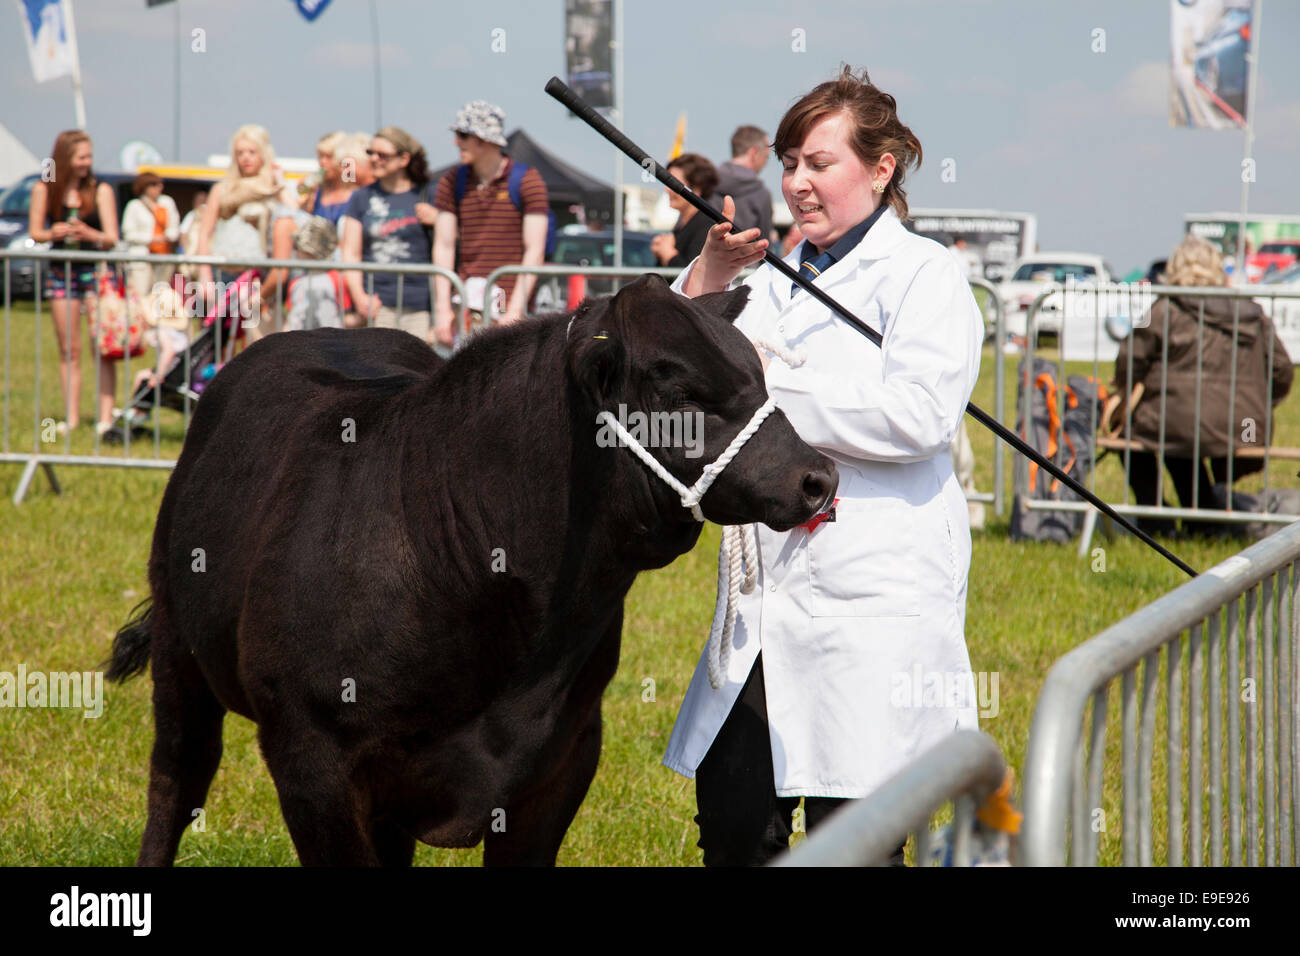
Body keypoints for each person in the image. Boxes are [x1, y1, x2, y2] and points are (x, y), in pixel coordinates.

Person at [662, 66, 984, 867]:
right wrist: (706, 278)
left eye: (819, 162)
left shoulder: (925, 275)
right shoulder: (766, 279)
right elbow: (672, 371)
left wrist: (771, 391)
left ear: (881, 168)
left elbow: (919, 414)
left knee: (857, 842)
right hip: (763, 606)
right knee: (737, 830)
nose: (798, 182)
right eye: (790, 161)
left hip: (873, 596)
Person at [1109, 234, 1293, 536]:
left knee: (1137, 438)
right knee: (1181, 438)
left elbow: (1129, 359)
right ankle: (1202, 520)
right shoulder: (1252, 312)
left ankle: (1157, 518)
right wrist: (1260, 403)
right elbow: (1282, 370)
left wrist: (1126, 387)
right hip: (1243, 427)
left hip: (1172, 421)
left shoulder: (1161, 309)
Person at [432, 101, 549, 345]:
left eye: (463, 135)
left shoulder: (527, 180)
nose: (456, 142)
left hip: (511, 307)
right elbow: (443, 246)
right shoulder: (452, 181)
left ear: (484, 140)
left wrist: (515, 311)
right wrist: (442, 310)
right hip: (466, 305)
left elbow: (535, 251)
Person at [27, 129, 121, 435]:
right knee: (69, 349)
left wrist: (89, 234)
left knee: (102, 347)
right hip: (60, 274)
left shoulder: (100, 190)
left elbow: (111, 238)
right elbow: (35, 232)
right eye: (81, 157)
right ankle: (72, 417)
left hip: (95, 275)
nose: (87, 162)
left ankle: (105, 417)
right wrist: (53, 233)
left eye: (89, 156)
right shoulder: (45, 189)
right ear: (66, 158)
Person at [341, 126, 435, 339]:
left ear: (404, 159)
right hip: (377, 302)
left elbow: (453, 240)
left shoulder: (428, 194)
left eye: (382, 155)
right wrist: (360, 297)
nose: (374, 159)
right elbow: (350, 252)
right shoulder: (361, 198)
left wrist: (438, 218)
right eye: (370, 153)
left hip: (420, 304)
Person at [650, 153, 718, 268]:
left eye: (673, 184)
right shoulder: (683, 222)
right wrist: (660, 251)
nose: (667, 189)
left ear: (696, 188)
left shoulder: (707, 227)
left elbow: (694, 274)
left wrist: (667, 253)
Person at [121, 172, 180, 302]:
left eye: (160, 184)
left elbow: (174, 227)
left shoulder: (167, 202)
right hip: (142, 258)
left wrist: (168, 237)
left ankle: (158, 322)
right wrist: (152, 238)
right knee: (141, 295)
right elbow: (128, 233)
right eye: (154, 184)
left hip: (164, 257)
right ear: (144, 187)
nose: (159, 187)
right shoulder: (134, 205)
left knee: (161, 296)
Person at [714, 125, 773, 241]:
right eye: (766, 157)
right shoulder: (761, 194)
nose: (766, 163)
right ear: (754, 152)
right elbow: (764, 248)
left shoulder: (706, 183)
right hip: (744, 257)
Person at [303, 131, 363, 226]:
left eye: (329, 157)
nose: (322, 162)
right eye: (320, 156)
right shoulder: (317, 191)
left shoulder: (358, 190)